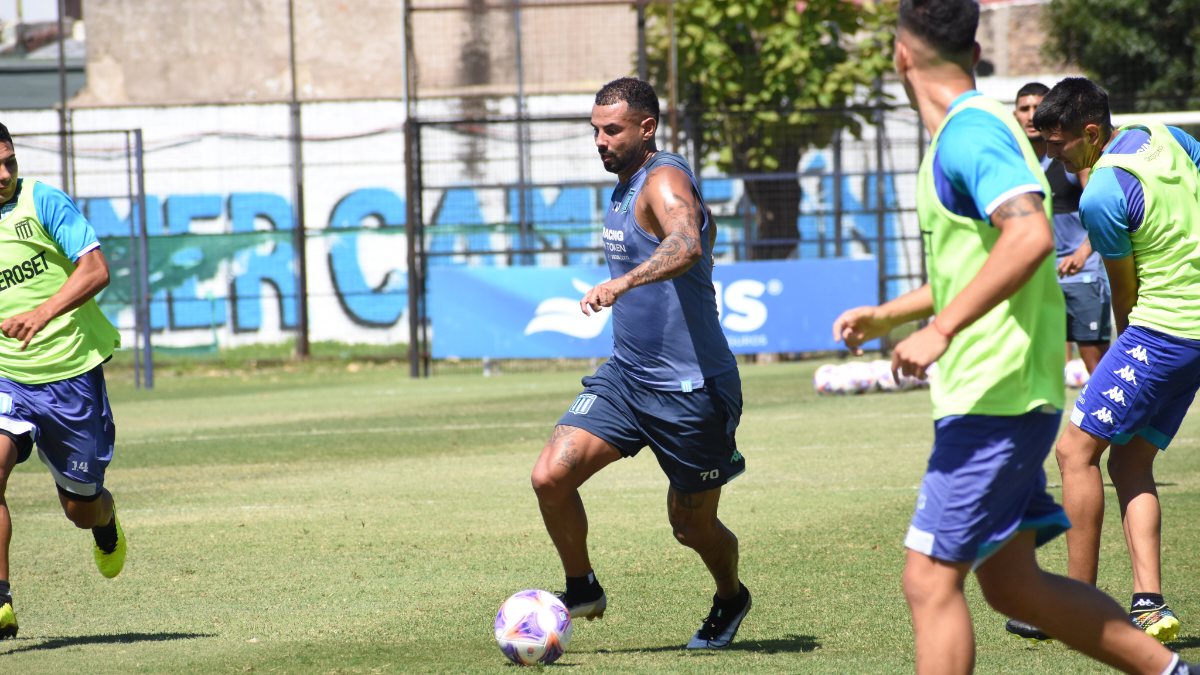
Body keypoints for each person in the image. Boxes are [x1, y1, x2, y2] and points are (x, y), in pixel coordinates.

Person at [833, 2, 1192, 673]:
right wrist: (891, 313)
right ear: (972, 51)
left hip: (994, 397)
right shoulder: (972, 133)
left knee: (929, 580)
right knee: (1014, 585)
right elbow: (983, 260)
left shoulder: (970, 134)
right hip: (1002, 393)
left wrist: (939, 329)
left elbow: (1028, 236)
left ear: (901, 57)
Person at [529, 77, 749, 650]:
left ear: (646, 127)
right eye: (595, 131)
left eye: (612, 130)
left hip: (692, 391)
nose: (600, 141)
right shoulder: (625, 184)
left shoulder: (665, 180)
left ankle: (731, 595)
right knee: (550, 475)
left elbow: (685, 244)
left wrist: (623, 282)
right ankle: (581, 588)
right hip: (627, 379)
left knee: (690, 528)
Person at [1014, 77, 1200, 644]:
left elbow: (1126, 295)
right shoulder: (1163, 134)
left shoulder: (1100, 195)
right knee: (1129, 463)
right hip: (1195, 336)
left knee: (1074, 452)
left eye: (1058, 144)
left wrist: (1128, 354)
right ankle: (1148, 605)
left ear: (1090, 133)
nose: (1051, 154)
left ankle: (1077, 608)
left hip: (1161, 331)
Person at [0, 123, 127, 640]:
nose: (5, 174)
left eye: (9, 161)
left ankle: (104, 519)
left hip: (71, 377)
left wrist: (43, 311)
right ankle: (1, 601)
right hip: (8, 375)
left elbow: (95, 271)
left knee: (80, 507)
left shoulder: (43, 202)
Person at [1013, 81, 1111, 374]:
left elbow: (1101, 209)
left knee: (1098, 367)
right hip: (1042, 278)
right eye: (1024, 108)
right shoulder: (1017, 164)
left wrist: (1083, 253)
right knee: (1049, 365)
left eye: (1037, 107)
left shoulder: (1073, 157)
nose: (1031, 115)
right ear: (1015, 115)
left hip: (1081, 275)